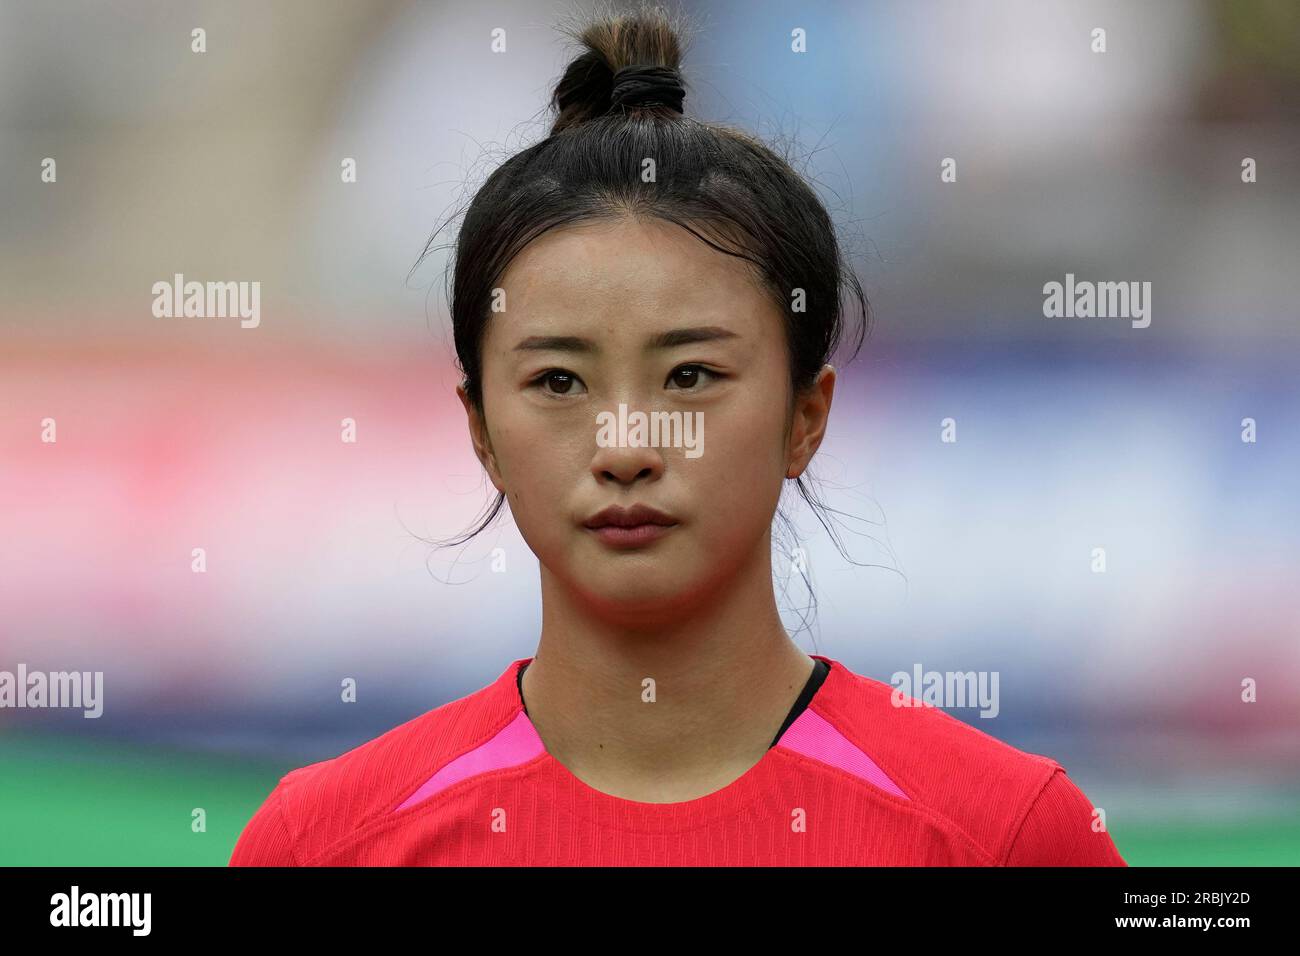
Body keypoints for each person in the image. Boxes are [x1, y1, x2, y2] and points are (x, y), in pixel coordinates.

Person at [230, 4, 1126, 866]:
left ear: (804, 416)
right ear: (482, 431)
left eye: (691, 376)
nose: (624, 446)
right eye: (558, 382)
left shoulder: (1006, 833)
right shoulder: (326, 844)